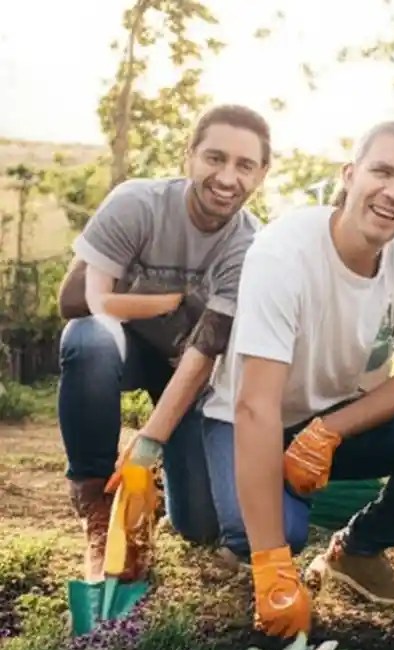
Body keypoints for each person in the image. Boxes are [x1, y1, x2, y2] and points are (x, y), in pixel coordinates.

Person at [200, 119, 394, 638]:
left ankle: (356, 551)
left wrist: (329, 430)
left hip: (330, 421)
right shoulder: (283, 251)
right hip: (244, 415)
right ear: (350, 174)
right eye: (382, 172)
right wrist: (271, 564)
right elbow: (255, 406)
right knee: (269, 535)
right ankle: (211, 504)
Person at [54, 104, 271, 582]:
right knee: (86, 339)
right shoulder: (138, 204)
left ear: (261, 175)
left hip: (185, 369)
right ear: (189, 156)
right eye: (214, 158)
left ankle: (151, 492)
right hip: (119, 348)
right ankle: (95, 497)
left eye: (244, 165)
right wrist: (170, 301)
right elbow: (72, 300)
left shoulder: (250, 247)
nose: (226, 177)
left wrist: (150, 445)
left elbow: (206, 351)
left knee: (200, 525)